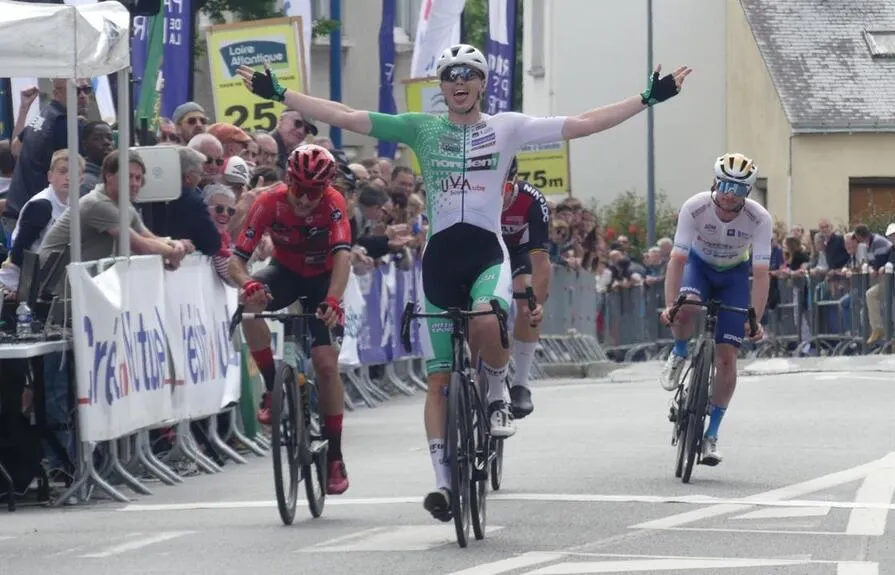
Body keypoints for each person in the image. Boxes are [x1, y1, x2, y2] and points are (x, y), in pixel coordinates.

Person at [237, 43, 691, 523]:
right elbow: (345, 116)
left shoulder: (506, 127)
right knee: (438, 380)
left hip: (486, 257)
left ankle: (496, 395)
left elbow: (582, 123)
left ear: (481, 83)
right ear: (441, 86)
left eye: (468, 74)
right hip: (439, 261)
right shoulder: (422, 128)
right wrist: (282, 93)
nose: (459, 82)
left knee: (484, 321)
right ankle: (442, 484)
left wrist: (646, 98)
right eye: (450, 75)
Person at [227, 144, 353, 495]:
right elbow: (236, 260)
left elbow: (343, 259)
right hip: (285, 272)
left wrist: (333, 299)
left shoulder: (334, 204)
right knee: (249, 304)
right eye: (299, 189)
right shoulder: (270, 201)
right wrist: (248, 283)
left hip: (322, 280)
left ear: (326, 188)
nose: (306, 199)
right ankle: (273, 387)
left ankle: (335, 455)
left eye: (315, 192)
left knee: (325, 364)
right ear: (288, 180)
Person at [658, 153, 771, 467]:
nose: (729, 194)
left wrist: (755, 319)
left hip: (734, 276)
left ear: (748, 192)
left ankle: (712, 434)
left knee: (726, 358)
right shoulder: (695, 207)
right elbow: (677, 260)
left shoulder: (759, 218)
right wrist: (671, 306)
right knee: (687, 307)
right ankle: (680, 351)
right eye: (724, 185)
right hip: (699, 268)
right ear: (714, 182)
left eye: (738, 188)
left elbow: (761, 273)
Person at [499, 158, 552, 419]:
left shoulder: (532, 199)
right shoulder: (475, 193)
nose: (501, 196)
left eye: (506, 188)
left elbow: (541, 260)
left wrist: (537, 305)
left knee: (527, 302)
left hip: (520, 252)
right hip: (486, 251)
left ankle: (520, 383)